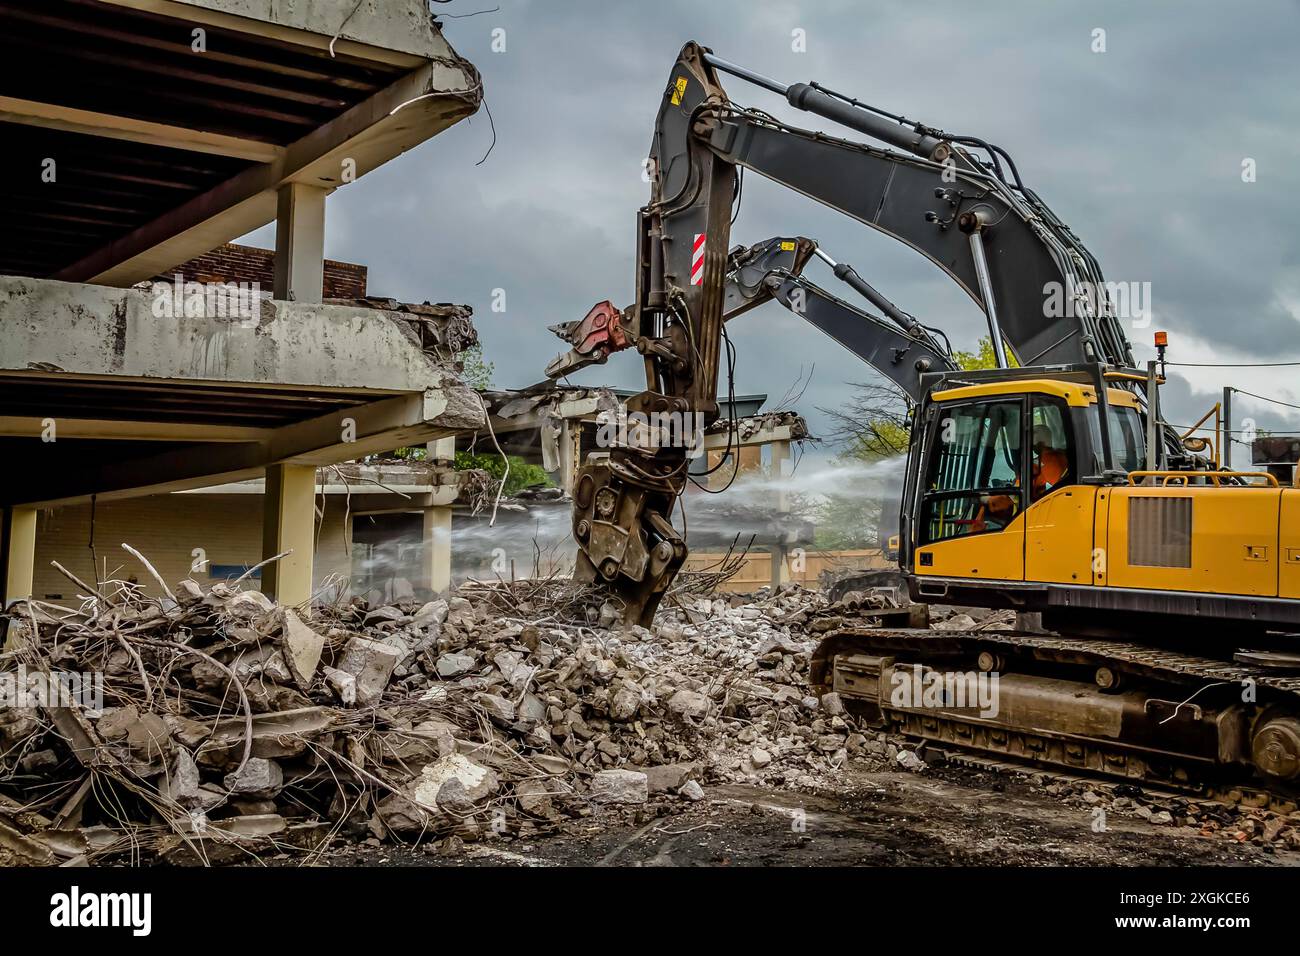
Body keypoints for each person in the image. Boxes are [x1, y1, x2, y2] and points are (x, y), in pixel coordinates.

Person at [970, 424, 1069, 532]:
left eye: (1032, 438)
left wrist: (986, 498)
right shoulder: (1059, 458)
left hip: (1034, 519)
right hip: (1045, 514)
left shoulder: (1041, 463)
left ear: (1039, 441)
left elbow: (1012, 496)